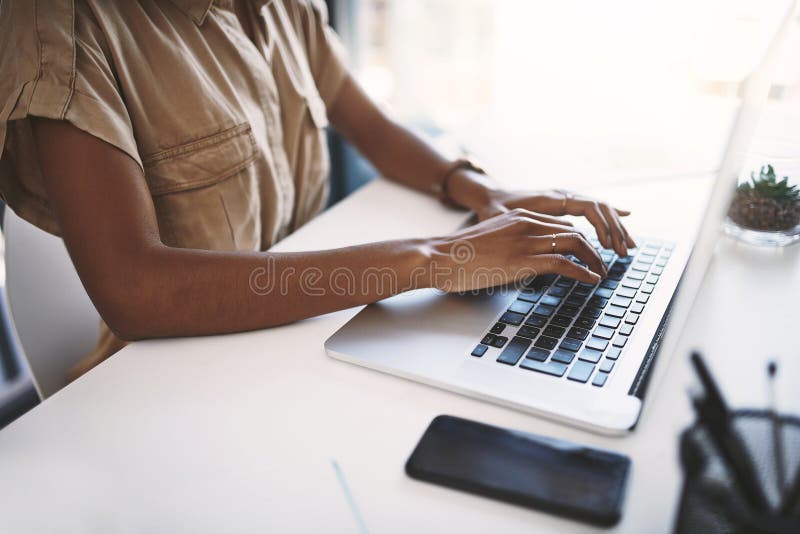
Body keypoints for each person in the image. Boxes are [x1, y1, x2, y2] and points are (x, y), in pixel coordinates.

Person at [0, 0, 634, 378]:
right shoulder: (69, 29)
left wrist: (475, 190)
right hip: (170, 384)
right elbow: (135, 293)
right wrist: (440, 259)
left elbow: (372, 127)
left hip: (301, 341)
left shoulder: (285, 9)